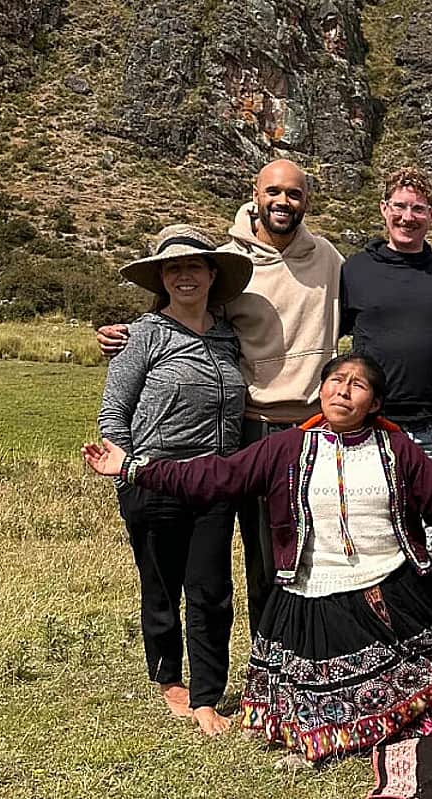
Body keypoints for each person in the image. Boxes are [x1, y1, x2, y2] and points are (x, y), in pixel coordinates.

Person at [83, 354, 432, 764]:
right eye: (335, 380)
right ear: (320, 391)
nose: (343, 390)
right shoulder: (286, 449)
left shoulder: (398, 450)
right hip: (315, 594)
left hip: (395, 590)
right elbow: (215, 476)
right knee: (319, 723)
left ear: (374, 404)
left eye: (357, 385)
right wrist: (131, 468)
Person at [97, 159, 344, 638]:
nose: (283, 202)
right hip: (252, 425)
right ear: (255, 193)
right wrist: (128, 335)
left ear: (306, 200)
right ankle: (269, 659)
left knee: (320, 542)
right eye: (273, 192)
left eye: (294, 194)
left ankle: (319, 647)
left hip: (315, 425)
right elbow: (182, 316)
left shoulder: (330, 260)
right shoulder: (231, 263)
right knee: (261, 552)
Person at [97, 225, 254, 736]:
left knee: (210, 590)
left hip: (215, 481)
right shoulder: (142, 334)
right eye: (173, 268)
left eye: (194, 266)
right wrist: (127, 472)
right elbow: (113, 412)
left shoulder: (229, 335)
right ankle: (169, 677)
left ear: (212, 274)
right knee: (161, 586)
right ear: (162, 279)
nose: (184, 275)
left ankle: (208, 693)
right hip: (154, 478)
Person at [340, 167, 432, 566]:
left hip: (430, 425)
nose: (407, 217)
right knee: (369, 524)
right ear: (384, 209)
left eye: (419, 209)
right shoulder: (355, 270)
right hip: (370, 425)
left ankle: (427, 618)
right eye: (400, 206)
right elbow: (331, 333)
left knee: (428, 526)